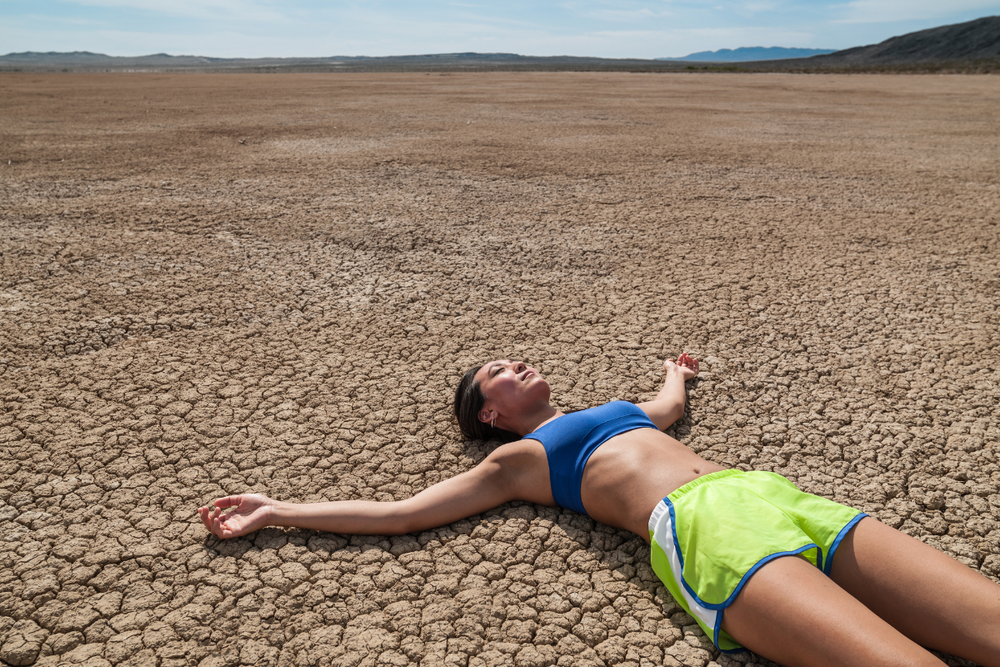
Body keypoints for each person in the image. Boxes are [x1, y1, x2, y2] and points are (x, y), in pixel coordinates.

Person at [199, 354, 1000, 666]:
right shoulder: (518, 461)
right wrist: (280, 509)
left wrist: (674, 370)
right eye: (500, 372)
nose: (519, 361)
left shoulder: (617, 408)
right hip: (705, 529)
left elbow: (664, 407)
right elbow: (403, 512)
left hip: (773, 494)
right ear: (491, 414)